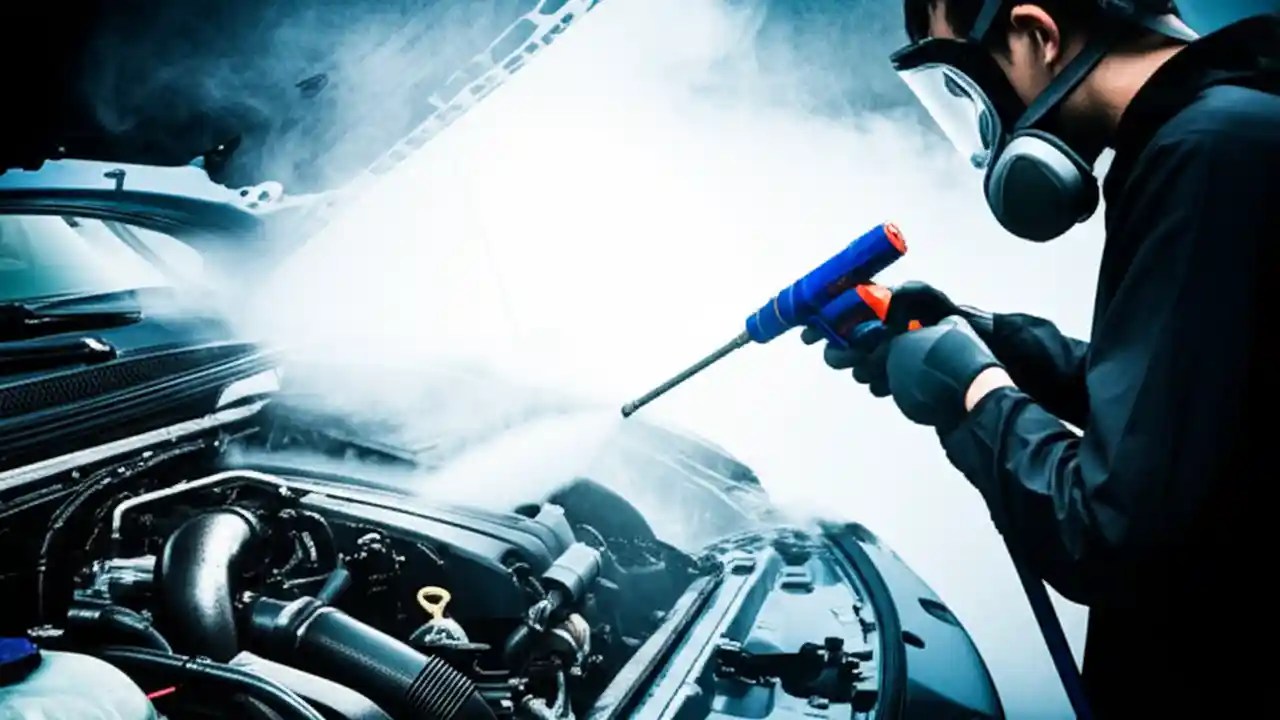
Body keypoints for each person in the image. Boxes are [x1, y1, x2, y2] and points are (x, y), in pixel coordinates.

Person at [802, 1, 1278, 716]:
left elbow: (1108, 532)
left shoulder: (1207, 155)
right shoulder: (1233, 127)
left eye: (962, 85)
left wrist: (972, 393)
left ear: (1037, 33)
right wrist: (994, 340)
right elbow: (1194, 405)